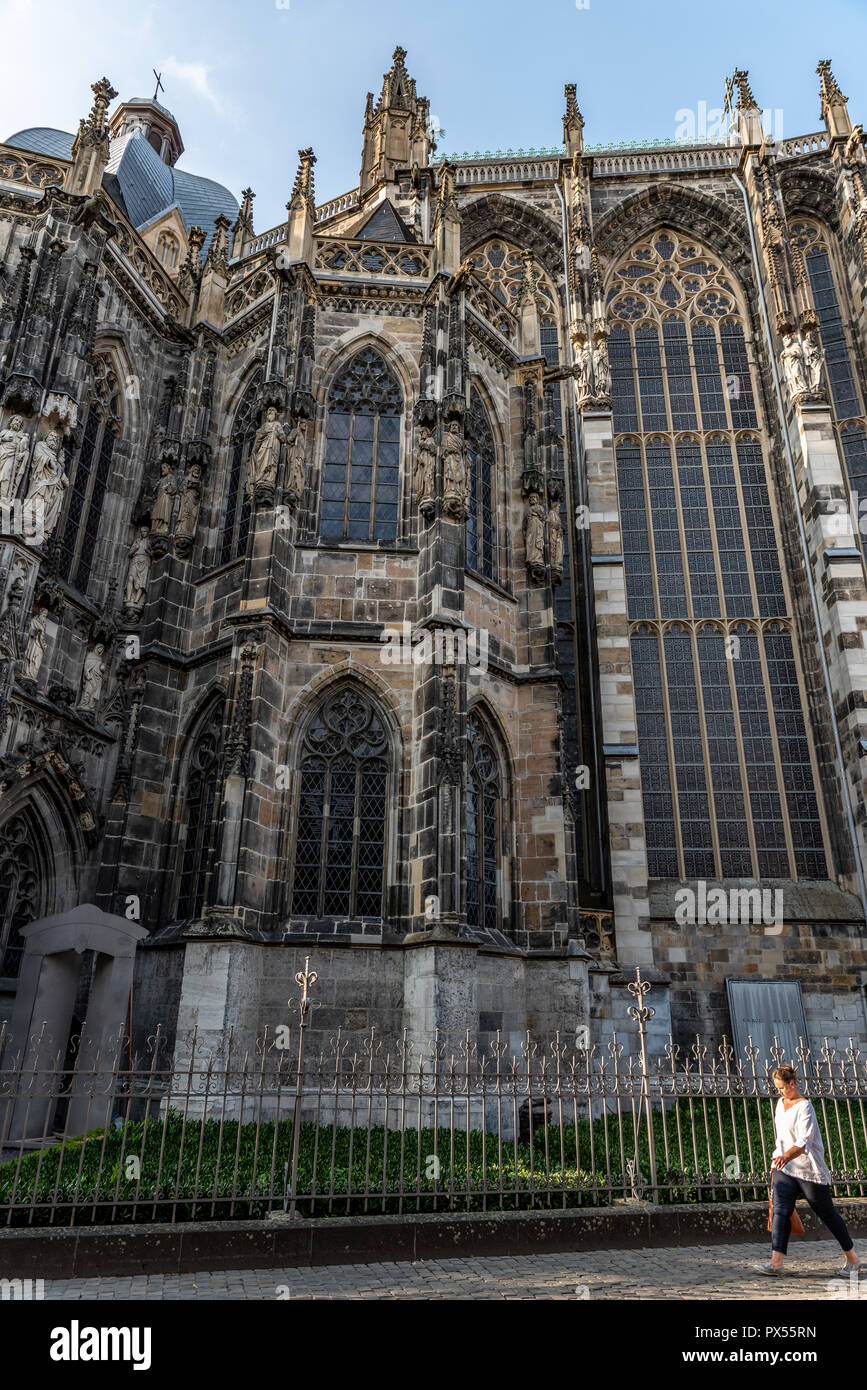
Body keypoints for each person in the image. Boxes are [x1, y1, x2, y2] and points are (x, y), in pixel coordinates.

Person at [754, 1065, 861, 1276]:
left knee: (827, 1213)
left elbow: (804, 1141)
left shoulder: (805, 1107)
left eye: (782, 1088)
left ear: (792, 1084)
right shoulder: (779, 1103)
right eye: (777, 1088)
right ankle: (776, 1264)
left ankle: (853, 1260)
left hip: (808, 1169)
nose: (779, 1092)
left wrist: (786, 1156)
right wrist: (778, 1158)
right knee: (780, 1211)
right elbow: (782, 1136)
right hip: (784, 1169)